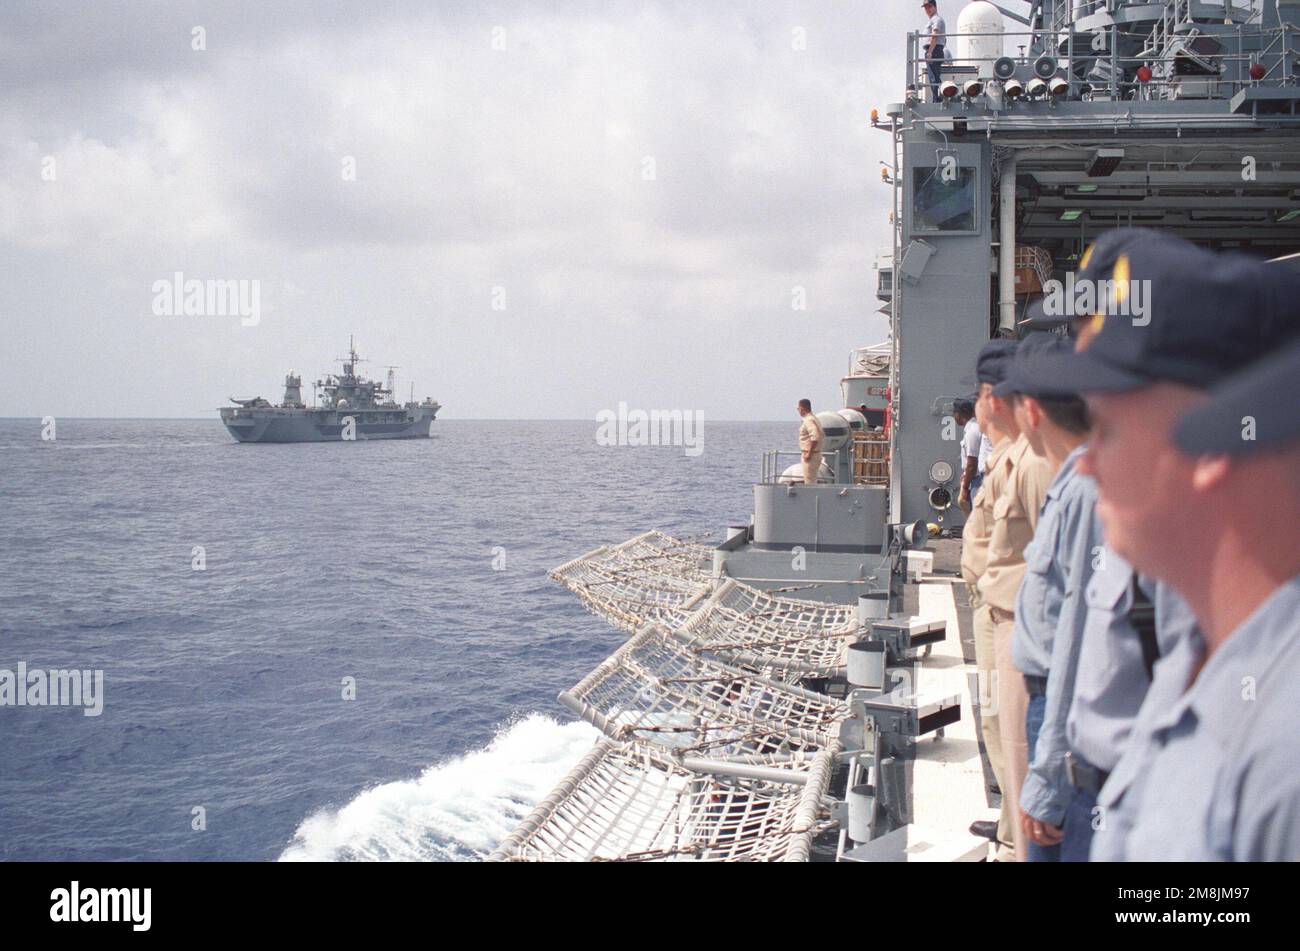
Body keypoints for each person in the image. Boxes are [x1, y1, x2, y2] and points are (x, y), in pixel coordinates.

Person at [1022, 228, 1300, 860]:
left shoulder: (1283, 761)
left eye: (1108, 431)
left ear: (1212, 449)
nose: (1087, 467)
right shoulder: (1189, 663)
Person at [991, 334, 1097, 862]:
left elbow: (1076, 643)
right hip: (1055, 711)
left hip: (1063, 721)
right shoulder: (1075, 481)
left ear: (1030, 410)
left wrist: (1050, 775)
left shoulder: (1081, 490)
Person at [977, 340, 1053, 862]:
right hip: (1000, 618)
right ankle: (1012, 839)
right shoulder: (1011, 460)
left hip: (1022, 629)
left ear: (993, 399)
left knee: (1023, 753)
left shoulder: (1033, 464)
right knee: (1003, 737)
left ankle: (1018, 847)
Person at [960, 339, 1017, 859]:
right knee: (997, 722)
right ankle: (1010, 822)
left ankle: (1018, 833)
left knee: (1007, 722)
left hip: (1009, 617)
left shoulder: (1024, 463)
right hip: (992, 606)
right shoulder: (1003, 459)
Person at [954, 398, 979, 512]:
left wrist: (964, 488)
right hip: (975, 479)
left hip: (977, 481)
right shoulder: (975, 428)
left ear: (958, 415)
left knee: (977, 515)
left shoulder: (972, 432)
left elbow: (972, 464)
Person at [922, 2, 947, 103]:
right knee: (934, 77)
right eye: (926, 8)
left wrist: (930, 52)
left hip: (934, 50)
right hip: (934, 49)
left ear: (935, 7)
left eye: (929, 7)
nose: (927, 10)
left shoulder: (937, 19)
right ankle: (937, 98)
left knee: (934, 78)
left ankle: (937, 99)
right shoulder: (933, 20)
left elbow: (935, 35)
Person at [797, 398, 824, 486]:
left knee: (809, 482)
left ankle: (810, 498)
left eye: (798, 409)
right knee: (812, 480)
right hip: (815, 454)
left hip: (811, 456)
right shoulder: (814, 418)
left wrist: (809, 453)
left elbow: (815, 437)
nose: (798, 411)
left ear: (802, 408)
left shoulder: (808, 420)